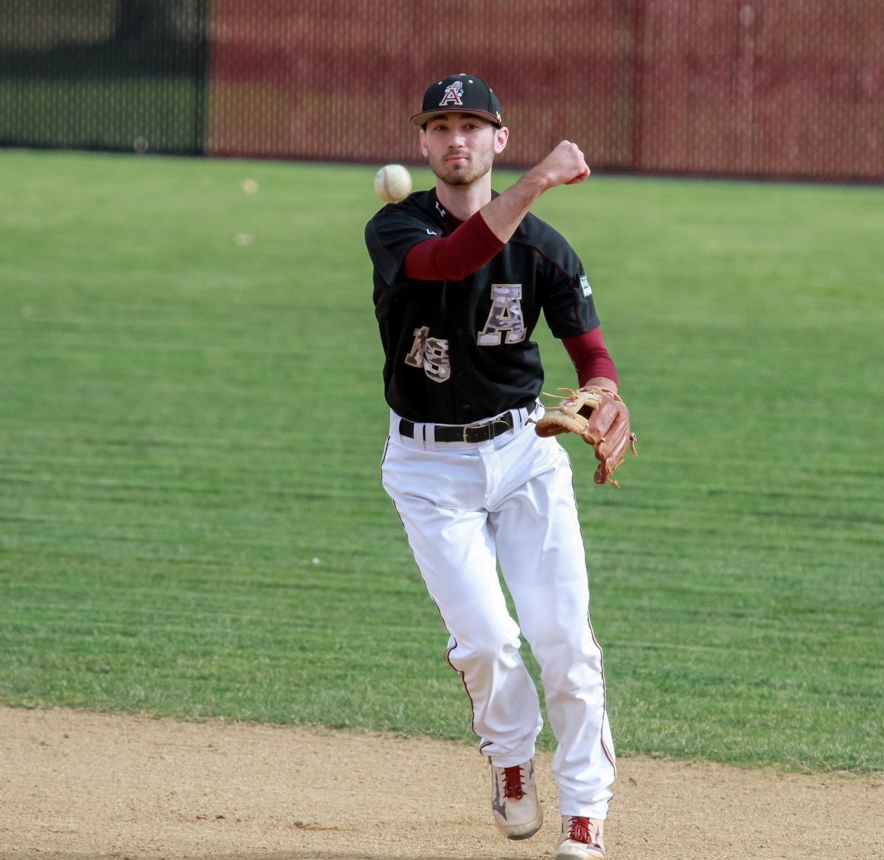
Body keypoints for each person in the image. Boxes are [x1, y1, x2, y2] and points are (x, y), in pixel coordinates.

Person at [364, 73, 628, 860]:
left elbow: (594, 354)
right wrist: (540, 180)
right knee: (485, 641)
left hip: (524, 456)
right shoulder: (396, 230)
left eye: (472, 126)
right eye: (441, 127)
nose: (456, 140)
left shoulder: (545, 249)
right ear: (422, 144)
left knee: (567, 647)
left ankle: (585, 815)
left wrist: (608, 394)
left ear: (496, 140)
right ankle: (511, 754)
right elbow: (455, 260)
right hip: (426, 466)